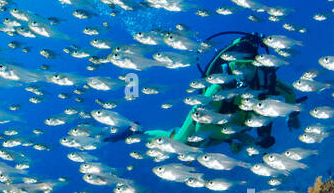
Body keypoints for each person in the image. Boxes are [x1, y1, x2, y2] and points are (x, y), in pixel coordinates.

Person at [108, 32, 302, 151]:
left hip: (235, 127)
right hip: (207, 126)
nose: (241, 72)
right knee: (180, 144)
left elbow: (290, 95)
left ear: (257, 64)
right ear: (230, 63)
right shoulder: (218, 87)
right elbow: (201, 127)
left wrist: (292, 116)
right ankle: (138, 132)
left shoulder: (266, 80)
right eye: (237, 66)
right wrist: (232, 136)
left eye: (247, 66)